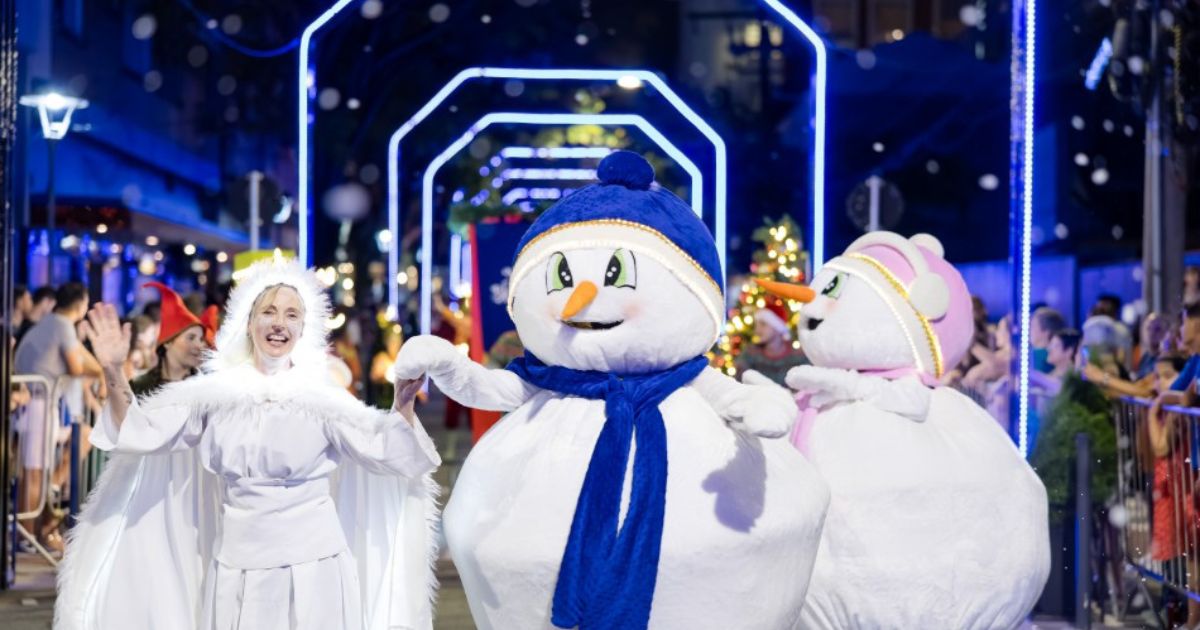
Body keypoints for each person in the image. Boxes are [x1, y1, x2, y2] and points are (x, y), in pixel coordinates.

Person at [56, 260, 441, 630]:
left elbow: (391, 453)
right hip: (238, 567)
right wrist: (111, 370)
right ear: (248, 321)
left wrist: (403, 404)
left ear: (304, 327)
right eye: (269, 311)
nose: (279, 323)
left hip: (317, 568)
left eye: (292, 314)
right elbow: (136, 433)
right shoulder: (214, 395)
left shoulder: (323, 397)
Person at [12, 282, 101, 552]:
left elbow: (83, 360)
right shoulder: (62, 326)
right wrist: (98, 370)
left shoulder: (52, 323)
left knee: (36, 472)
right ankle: (28, 536)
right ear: (82, 304)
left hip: (36, 405)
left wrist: (98, 368)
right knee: (34, 474)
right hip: (38, 405)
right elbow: (75, 366)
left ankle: (34, 529)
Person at [131, 282, 209, 396]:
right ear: (168, 342)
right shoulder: (139, 387)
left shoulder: (206, 389)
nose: (199, 346)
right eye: (191, 338)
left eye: (201, 339)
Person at [734, 298, 805, 385]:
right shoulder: (750, 355)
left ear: (777, 327)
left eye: (763, 324)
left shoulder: (799, 358)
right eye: (756, 325)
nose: (757, 330)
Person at [1030, 307, 1066, 374]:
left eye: (1032, 326)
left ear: (1046, 332)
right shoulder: (1056, 357)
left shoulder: (1034, 356)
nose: (1028, 330)